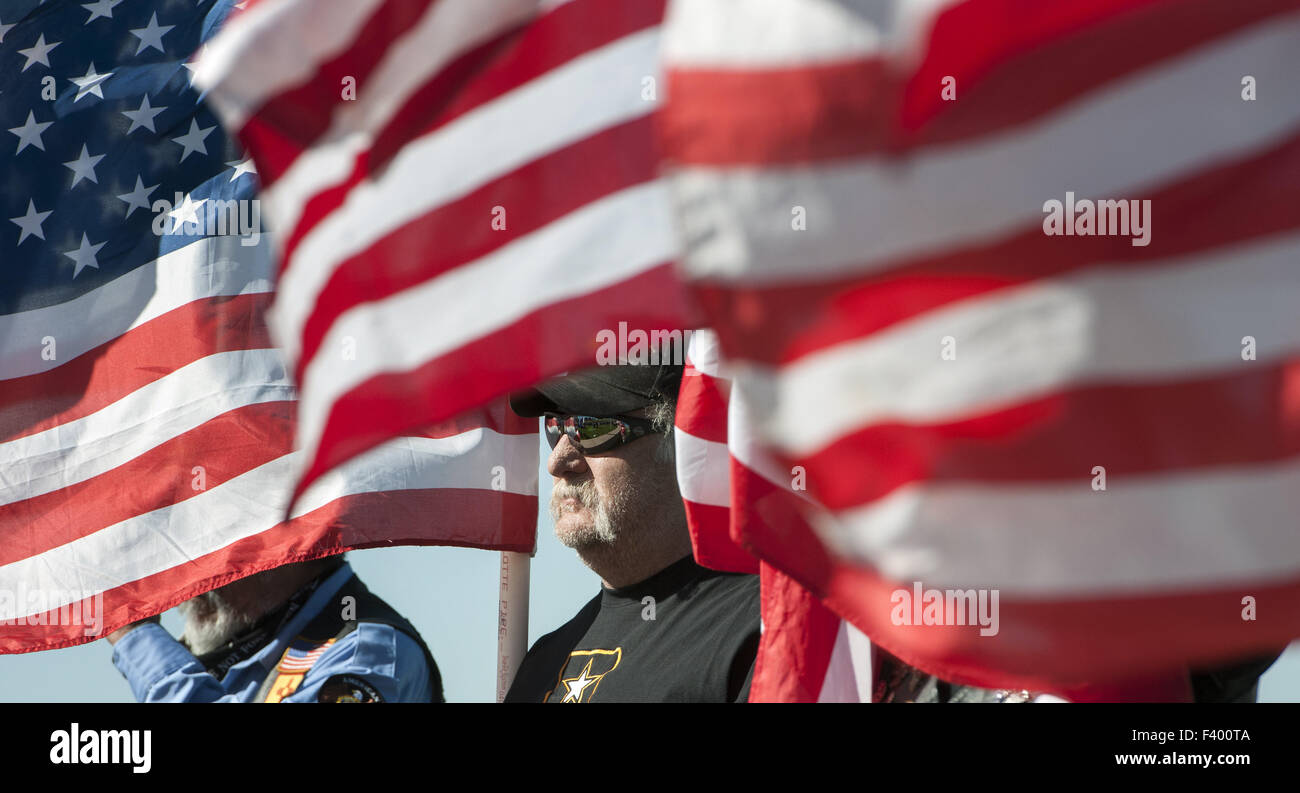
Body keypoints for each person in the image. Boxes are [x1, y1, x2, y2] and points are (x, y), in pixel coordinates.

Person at [504, 360, 760, 702]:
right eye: (555, 427)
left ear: (685, 440)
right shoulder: (542, 662)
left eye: (593, 428)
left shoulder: (762, 627)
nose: (558, 461)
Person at [108, 555, 443, 702]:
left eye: (219, 546)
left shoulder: (365, 651)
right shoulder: (241, 651)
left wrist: (138, 642)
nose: (193, 578)